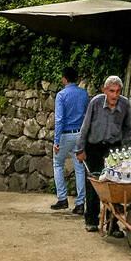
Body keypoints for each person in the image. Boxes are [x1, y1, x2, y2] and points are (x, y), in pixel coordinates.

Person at [76, 75, 131, 234]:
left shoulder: (125, 104)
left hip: (113, 149)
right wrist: (80, 150)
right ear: (104, 90)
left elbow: (127, 128)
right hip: (93, 147)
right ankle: (91, 220)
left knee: (114, 187)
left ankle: (112, 225)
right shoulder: (96, 102)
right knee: (94, 183)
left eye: (118, 91)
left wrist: (126, 145)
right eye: (111, 91)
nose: (115, 95)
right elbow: (85, 127)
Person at [50, 67, 89, 215]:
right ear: (77, 78)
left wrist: (56, 140)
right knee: (79, 169)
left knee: (57, 164)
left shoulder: (61, 95)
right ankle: (80, 204)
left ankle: (62, 199)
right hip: (80, 134)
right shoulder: (84, 94)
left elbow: (59, 119)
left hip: (66, 135)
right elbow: (87, 116)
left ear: (64, 79)